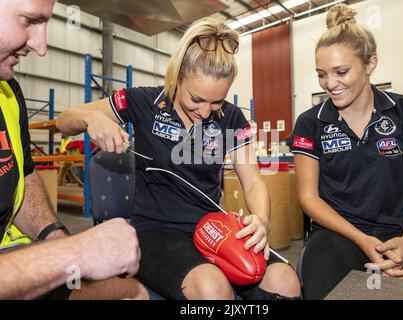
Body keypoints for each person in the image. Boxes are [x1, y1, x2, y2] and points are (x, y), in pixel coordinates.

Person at [57, 17, 301, 300]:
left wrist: (261, 220)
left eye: (217, 102)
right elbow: (65, 120)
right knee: (212, 288)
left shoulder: (232, 117)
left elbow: (253, 183)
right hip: (155, 233)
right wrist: (91, 118)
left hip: (212, 229)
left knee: (285, 280)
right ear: (178, 74)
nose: (206, 112)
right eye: (196, 99)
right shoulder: (144, 101)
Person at [292, 3, 403, 299]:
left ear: (370, 64)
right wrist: (363, 240)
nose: (330, 84)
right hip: (338, 237)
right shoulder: (309, 123)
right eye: (322, 74)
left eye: (341, 72)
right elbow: (308, 197)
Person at [0, 0, 148, 300]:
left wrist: (54, 235)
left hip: (13, 253)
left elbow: (23, 175)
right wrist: (74, 252)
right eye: (29, 21)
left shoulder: (9, 92)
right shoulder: (144, 99)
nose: (41, 47)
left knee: (131, 294)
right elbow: (68, 119)